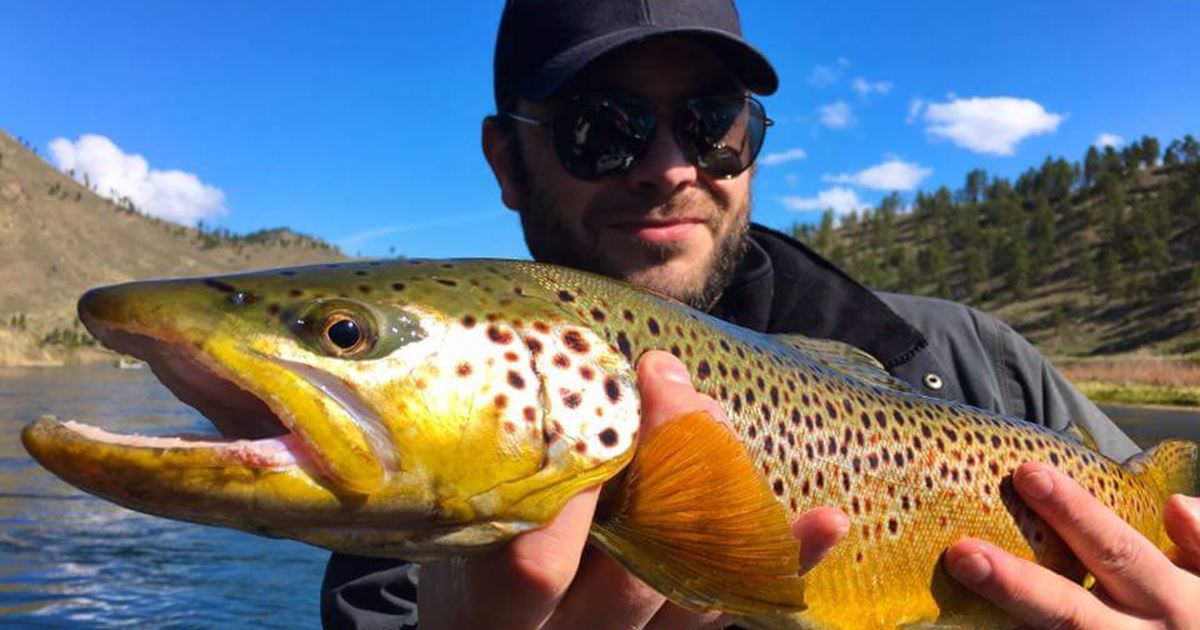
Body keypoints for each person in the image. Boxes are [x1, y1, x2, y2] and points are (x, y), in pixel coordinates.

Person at [323, 1, 1200, 627]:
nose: (669, 166)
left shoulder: (985, 366)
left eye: (711, 122)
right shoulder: (414, 519)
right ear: (506, 159)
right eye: (603, 126)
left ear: (752, 141)